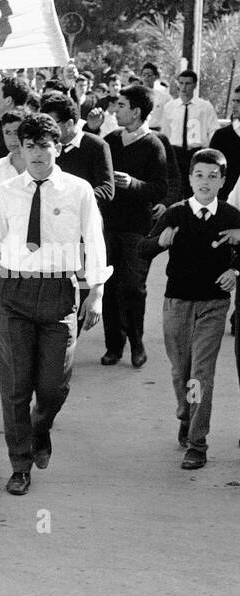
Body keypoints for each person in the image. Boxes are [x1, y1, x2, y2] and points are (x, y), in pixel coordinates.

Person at [0, 113, 109, 495]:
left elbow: (94, 241)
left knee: (53, 386)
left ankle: (40, 427)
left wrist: (95, 290)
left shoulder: (78, 190)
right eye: (29, 146)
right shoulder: (9, 191)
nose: (36, 153)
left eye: (44, 145)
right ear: (21, 149)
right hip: (11, 293)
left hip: (59, 294)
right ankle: (20, 464)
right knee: (14, 386)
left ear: (57, 148)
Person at [138, 148, 240, 470]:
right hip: (177, 305)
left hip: (212, 305)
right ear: (190, 178)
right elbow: (142, 249)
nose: (205, 182)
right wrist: (160, 243)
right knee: (181, 372)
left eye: (213, 177)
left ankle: (198, 443)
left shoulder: (232, 217)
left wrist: (235, 271)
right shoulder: (175, 214)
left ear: (223, 181)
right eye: (199, 175)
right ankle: (186, 414)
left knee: (201, 375)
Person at [102, 85, 169, 368]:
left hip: (136, 228)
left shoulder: (154, 145)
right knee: (108, 285)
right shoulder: (110, 140)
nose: (116, 110)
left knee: (133, 286)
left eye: (121, 104)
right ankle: (113, 346)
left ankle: (137, 342)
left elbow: (160, 187)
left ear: (137, 111)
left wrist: (133, 184)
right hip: (108, 225)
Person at [158, 70, 218, 194]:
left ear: (195, 85)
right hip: (175, 153)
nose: (184, 87)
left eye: (188, 84)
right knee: (175, 189)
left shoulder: (205, 107)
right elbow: (165, 133)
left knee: (195, 188)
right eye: (181, 83)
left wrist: (209, 154)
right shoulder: (170, 107)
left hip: (196, 153)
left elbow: (213, 131)